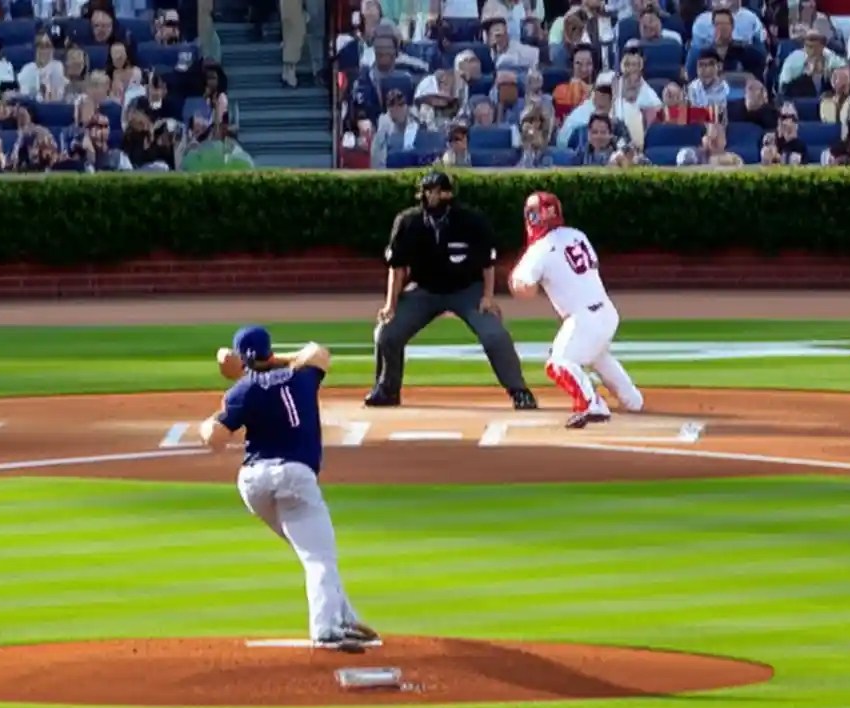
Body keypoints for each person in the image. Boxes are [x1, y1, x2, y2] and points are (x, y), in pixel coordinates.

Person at [198, 326, 378, 653]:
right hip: (294, 478)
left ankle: (345, 616)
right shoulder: (302, 375)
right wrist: (272, 361)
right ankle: (326, 630)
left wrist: (236, 381)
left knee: (312, 551)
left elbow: (215, 439)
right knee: (318, 556)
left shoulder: (243, 390)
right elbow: (319, 351)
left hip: (253, 484)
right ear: (270, 350)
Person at [366, 171, 538, 411]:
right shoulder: (408, 221)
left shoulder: (471, 220)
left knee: (494, 334)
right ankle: (386, 389)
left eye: (436, 191)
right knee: (386, 333)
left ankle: (519, 390)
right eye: (427, 191)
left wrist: (488, 297)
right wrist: (390, 305)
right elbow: (397, 269)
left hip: (467, 289)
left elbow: (487, 264)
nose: (431, 196)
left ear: (448, 193)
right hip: (424, 290)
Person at [508, 192, 645, 429]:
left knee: (558, 362)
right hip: (607, 312)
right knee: (596, 355)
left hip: (583, 317)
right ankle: (632, 399)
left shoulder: (540, 249)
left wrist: (518, 284)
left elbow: (525, 289)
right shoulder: (576, 235)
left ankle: (592, 404)